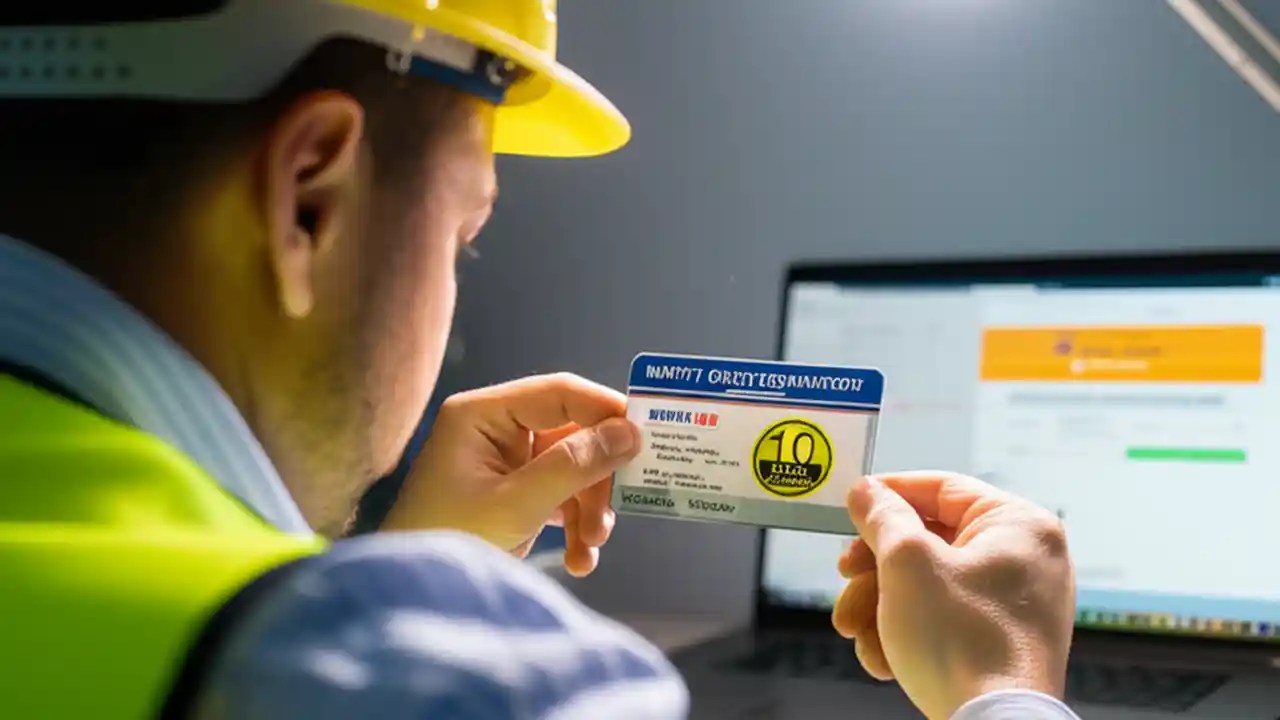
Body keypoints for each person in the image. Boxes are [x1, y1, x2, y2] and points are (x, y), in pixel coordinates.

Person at [0, 2, 1080, 718]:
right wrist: (1008, 683)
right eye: (465, 236)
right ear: (309, 204)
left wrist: (422, 560)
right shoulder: (436, 680)